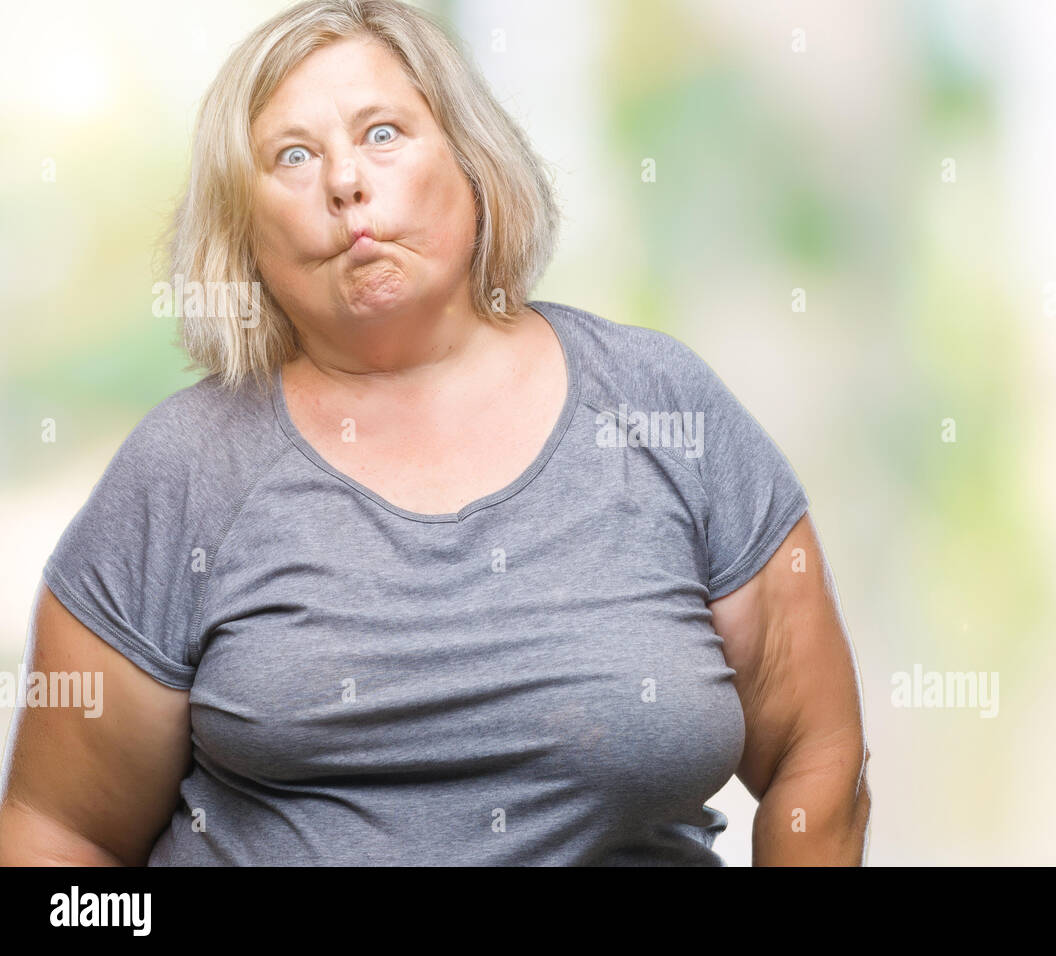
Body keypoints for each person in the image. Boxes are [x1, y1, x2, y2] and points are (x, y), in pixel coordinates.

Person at [0, 0, 868, 865]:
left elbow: (817, 753)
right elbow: (56, 833)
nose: (344, 182)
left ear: (472, 162)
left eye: (383, 133)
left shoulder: (660, 405)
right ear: (245, 234)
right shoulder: (183, 472)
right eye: (292, 156)